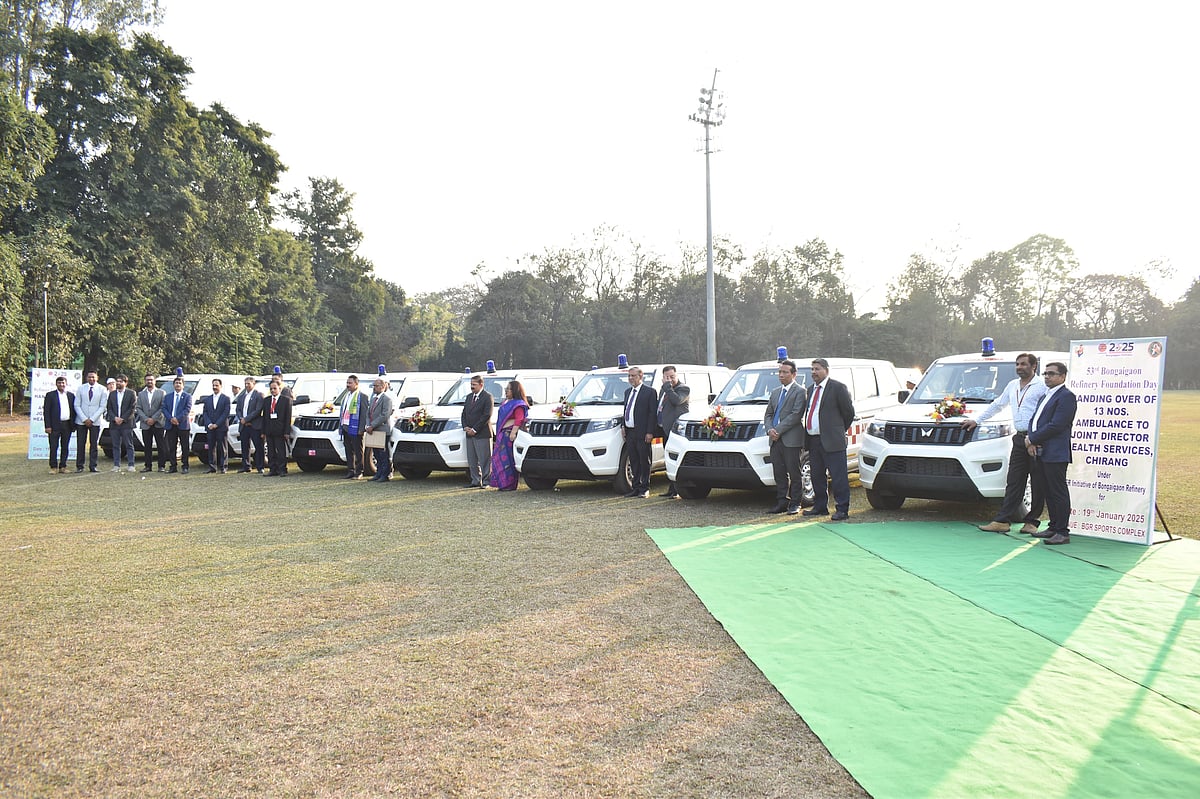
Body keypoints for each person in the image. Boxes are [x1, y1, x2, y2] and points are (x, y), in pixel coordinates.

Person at [967, 354, 1048, 534]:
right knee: (1014, 480)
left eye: (1024, 364)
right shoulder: (1012, 385)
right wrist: (977, 420)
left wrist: (1036, 439)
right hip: (1019, 438)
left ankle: (1032, 522)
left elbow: (1046, 413)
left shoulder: (1042, 386)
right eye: (1017, 364)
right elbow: (998, 405)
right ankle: (1002, 520)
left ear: (1034, 366)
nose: (1019, 367)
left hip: (1036, 440)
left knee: (1037, 481)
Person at [1027, 362, 1077, 545]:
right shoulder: (1045, 396)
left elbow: (1057, 425)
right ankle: (1053, 526)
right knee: (1048, 491)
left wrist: (1032, 439)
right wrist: (1031, 438)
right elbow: (1035, 419)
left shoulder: (1066, 397)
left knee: (1058, 491)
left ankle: (1063, 531)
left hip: (1056, 452)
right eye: (1045, 373)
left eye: (1051, 373)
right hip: (1041, 451)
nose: (1047, 376)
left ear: (1062, 376)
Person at [802, 358, 856, 520]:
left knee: (838, 476)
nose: (814, 372)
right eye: (812, 369)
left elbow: (848, 413)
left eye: (817, 369)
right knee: (817, 475)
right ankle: (820, 506)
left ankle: (842, 509)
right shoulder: (811, 389)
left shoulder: (838, 388)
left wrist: (837, 430)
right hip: (814, 440)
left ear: (826, 370)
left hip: (832, 441)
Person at [764, 359, 808, 514]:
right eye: (780, 372)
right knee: (779, 472)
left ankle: (796, 503)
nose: (781, 375)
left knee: (794, 472)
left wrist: (778, 430)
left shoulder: (800, 392)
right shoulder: (776, 392)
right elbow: (768, 414)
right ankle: (782, 501)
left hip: (791, 439)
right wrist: (770, 430)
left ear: (794, 374)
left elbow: (796, 415)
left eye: (785, 372)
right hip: (775, 440)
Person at [621, 366, 658, 498]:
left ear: (641, 376)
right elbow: (626, 410)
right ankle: (635, 487)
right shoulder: (627, 392)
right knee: (634, 460)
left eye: (633, 376)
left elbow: (652, 414)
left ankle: (644, 488)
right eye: (629, 376)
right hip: (630, 432)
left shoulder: (649, 392)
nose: (631, 378)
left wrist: (650, 432)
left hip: (643, 432)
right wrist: (623, 426)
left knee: (644, 460)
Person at [656, 366, 691, 499]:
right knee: (668, 461)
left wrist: (667, 387)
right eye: (667, 377)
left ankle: (677, 489)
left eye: (672, 377)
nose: (670, 379)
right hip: (664, 429)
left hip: (676, 431)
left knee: (676, 460)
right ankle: (672, 489)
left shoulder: (683, 389)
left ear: (677, 375)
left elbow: (676, 400)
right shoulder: (664, 389)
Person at [489, 380, 529, 491]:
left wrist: (513, 432)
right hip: (502, 434)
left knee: (507, 460)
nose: (506, 391)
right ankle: (501, 483)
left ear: (515, 390)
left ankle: (509, 484)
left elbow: (519, 419)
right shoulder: (506, 402)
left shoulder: (519, 404)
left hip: (508, 435)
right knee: (498, 459)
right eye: (506, 389)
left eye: (509, 389)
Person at [461, 374, 494, 488]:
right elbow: (464, 413)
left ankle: (486, 481)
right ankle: (475, 480)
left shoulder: (487, 397)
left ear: (481, 384)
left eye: (474, 385)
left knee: (484, 459)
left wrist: (475, 429)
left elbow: (486, 415)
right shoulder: (469, 397)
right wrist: (465, 427)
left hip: (482, 434)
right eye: (471, 384)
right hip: (469, 434)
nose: (472, 387)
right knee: (472, 459)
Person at [43, 375, 76, 474]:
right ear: (56, 384)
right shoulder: (50, 395)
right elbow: (46, 411)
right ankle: (53, 467)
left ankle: (63, 466)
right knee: (54, 446)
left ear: (66, 384)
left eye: (63, 383)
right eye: (59, 383)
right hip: (54, 425)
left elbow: (74, 411)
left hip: (67, 424)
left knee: (65, 446)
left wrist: (73, 425)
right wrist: (47, 426)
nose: (61, 384)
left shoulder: (71, 395)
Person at [134, 373, 167, 472]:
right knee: (147, 446)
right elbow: (138, 408)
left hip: (158, 423)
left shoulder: (161, 393)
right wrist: (146, 419)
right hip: (145, 424)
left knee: (160, 445)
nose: (149, 381)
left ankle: (161, 466)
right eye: (147, 380)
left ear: (154, 381)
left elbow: (162, 407)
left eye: (151, 380)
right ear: (145, 381)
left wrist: (153, 418)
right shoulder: (141, 394)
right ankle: (148, 466)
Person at [74, 369, 105, 472]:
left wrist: (92, 419)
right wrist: (84, 419)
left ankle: (93, 465)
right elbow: (77, 405)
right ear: (86, 378)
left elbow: (102, 407)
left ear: (97, 378)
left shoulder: (102, 389)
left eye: (93, 377)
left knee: (94, 444)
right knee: (81, 443)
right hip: (81, 421)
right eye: (89, 377)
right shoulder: (81, 388)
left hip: (95, 421)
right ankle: (80, 466)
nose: (91, 378)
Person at [365, 377, 394, 482]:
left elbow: (384, 415)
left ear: (382, 387)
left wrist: (372, 425)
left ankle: (385, 474)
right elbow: (368, 413)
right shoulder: (373, 398)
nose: (374, 388)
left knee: (383, 453)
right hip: (373, 430)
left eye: (376, 386)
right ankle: (378, 472)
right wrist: (368, 425)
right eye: (373, 386)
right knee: (376, 453)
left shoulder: (387, 399)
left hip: (382, 430)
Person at [261, 380, 292, 477]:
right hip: (269, 429)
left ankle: (282, 469)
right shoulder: (266, 400)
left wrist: (287, 432)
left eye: (275, 388)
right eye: (271, 389)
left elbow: (288, 417)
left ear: (279, 388)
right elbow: (264, 417)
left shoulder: (286, 400)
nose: (273, 390)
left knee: (281, 451)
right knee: (271, 451)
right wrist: (263, 431)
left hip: (280, 430)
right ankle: (273, 469)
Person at [106, 374, 136, 472]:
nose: (118, 383)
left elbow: (132, 408)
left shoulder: (131, 393)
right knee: (115, 445)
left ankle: (131, 464)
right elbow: (109, 408)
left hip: (126, 423)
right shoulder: (112, 394)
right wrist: (115, 418)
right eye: (117, 381)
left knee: (129, 444)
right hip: (114, 423)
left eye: (121, 381)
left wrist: (122, 418)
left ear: (125, 383)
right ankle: (116, 465)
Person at [340, 374, 368, 479]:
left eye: (350, 383)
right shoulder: (346, 396)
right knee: (348, 449)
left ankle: (359, 471)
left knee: (358, 450)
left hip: (356, 428)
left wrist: (361, 429)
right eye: (347, 383)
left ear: (356, 384)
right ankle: (350, 470)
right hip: (346, 426)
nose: (348, 385)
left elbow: (364, 414)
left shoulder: (362, 396)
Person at [200, 379, 231, 473]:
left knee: (222, 448)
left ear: (221, 386)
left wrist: (217, 424)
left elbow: (225, 413)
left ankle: (223, 467)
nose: (215, 387)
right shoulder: (208, 399)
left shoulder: (226, 398)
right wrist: (209, 423)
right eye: (213, 385)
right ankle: (212, 467)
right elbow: (205, 413)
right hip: (210, 428)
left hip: (221, 427)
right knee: (211, 448)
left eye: (217, 385)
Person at [164, 376, 193, 474]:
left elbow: (187, 410)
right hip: (170, 424)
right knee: (172, 446)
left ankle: (185, 466)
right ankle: (173, 466)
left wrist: (177, 418)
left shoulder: (187, 397)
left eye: (180, 383)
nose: (177, 385)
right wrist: (171, 419)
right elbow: (164, 409)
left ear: (183, 385)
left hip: (183, 425)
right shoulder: (168, 397)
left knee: (185, 447)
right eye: (176, 383)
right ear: (173, 385)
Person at [236, 377, 265, 474]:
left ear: (253, 384)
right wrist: (241, 419)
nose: (247, 385)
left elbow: (258, 410)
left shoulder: (259, 395)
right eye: (245, 383)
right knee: (244, 446)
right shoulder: (242, 396)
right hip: (244, 425)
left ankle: (260, 466)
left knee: (258, 446)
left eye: (249, 383)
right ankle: (246, 466)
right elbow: (238, 410)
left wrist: (247, 419)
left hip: (254, 425)